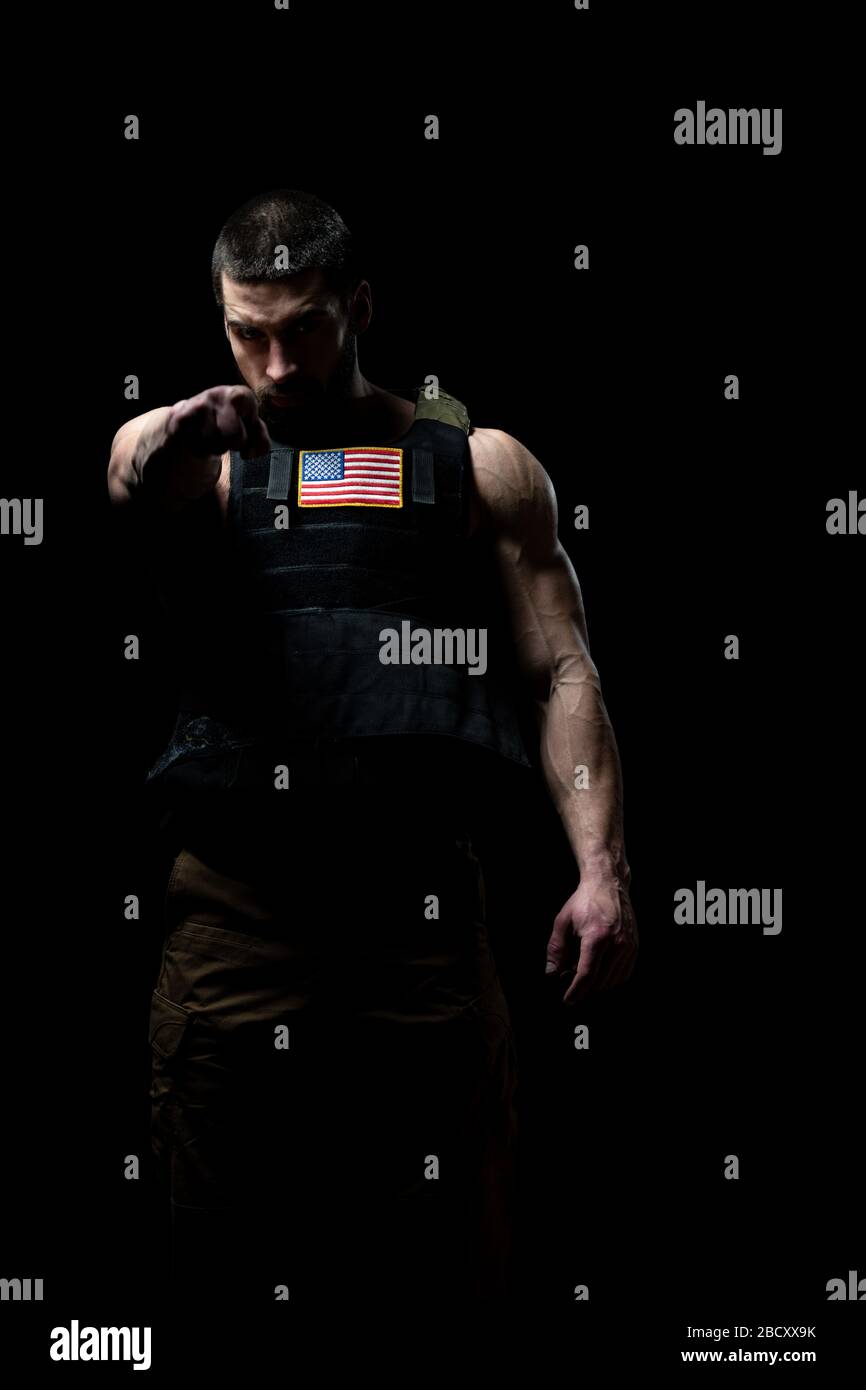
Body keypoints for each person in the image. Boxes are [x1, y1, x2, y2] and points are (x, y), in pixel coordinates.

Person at [107, 188, 638, 1311]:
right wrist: (175, 429)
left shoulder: (477, 465)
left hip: (417, 928)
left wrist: (600, 870)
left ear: (358, 306)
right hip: (235, 924)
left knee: (445, 1265)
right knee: (216, 1260)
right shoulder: (199, 454)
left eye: (301, 326)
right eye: (246, 331)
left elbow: (561, 670)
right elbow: (127, 474)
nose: (275, 362)